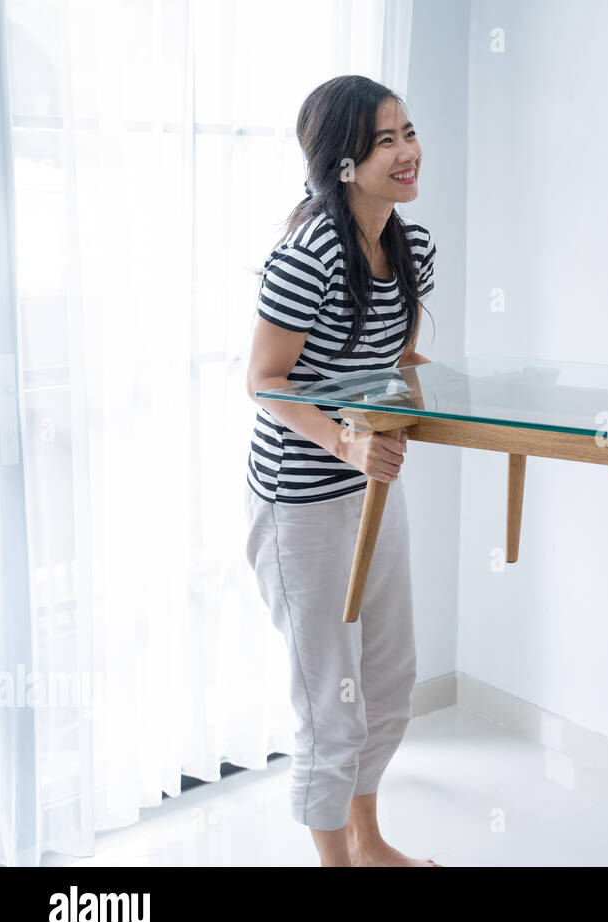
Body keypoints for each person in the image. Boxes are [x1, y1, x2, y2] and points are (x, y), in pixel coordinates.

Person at [243, 74, 438, 866]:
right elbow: (264, 379)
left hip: (371, 490)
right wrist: (347, 443)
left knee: (389, 679)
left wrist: (461, 389)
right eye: (386, 140)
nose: (408, 152)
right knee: (333, 701)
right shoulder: (307, 253)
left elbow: (393, 360)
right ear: (345, 164)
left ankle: (370, 841)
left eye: (409, 132)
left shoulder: (412, 245)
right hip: (302, 501)